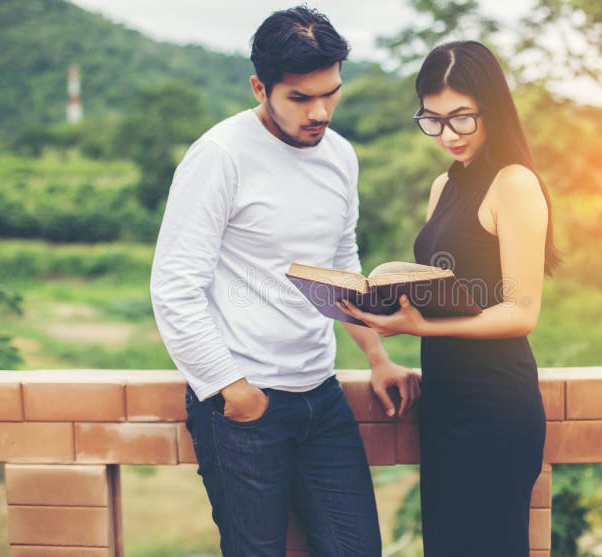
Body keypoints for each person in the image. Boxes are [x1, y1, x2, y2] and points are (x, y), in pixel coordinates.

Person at [150, 7, 420, 557]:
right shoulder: (219, 156)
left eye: (331, 93)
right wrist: (233, 390)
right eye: (300, 97)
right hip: (244, 406)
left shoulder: (341, 156)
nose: (319, 112)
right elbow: (174, 285)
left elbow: (341, 261)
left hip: (321, 395)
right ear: (260, 86)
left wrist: (376, 357)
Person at [338, 40, 560, 556]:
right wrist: (387, 306)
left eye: (461, 118)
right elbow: (447, 288)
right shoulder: (445, 185)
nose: (447, 135)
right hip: (444, 400)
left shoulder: (515, 184)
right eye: (432, 120)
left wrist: (421, 329)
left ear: (493, 108)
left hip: (496, 406)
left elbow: (521, 312)